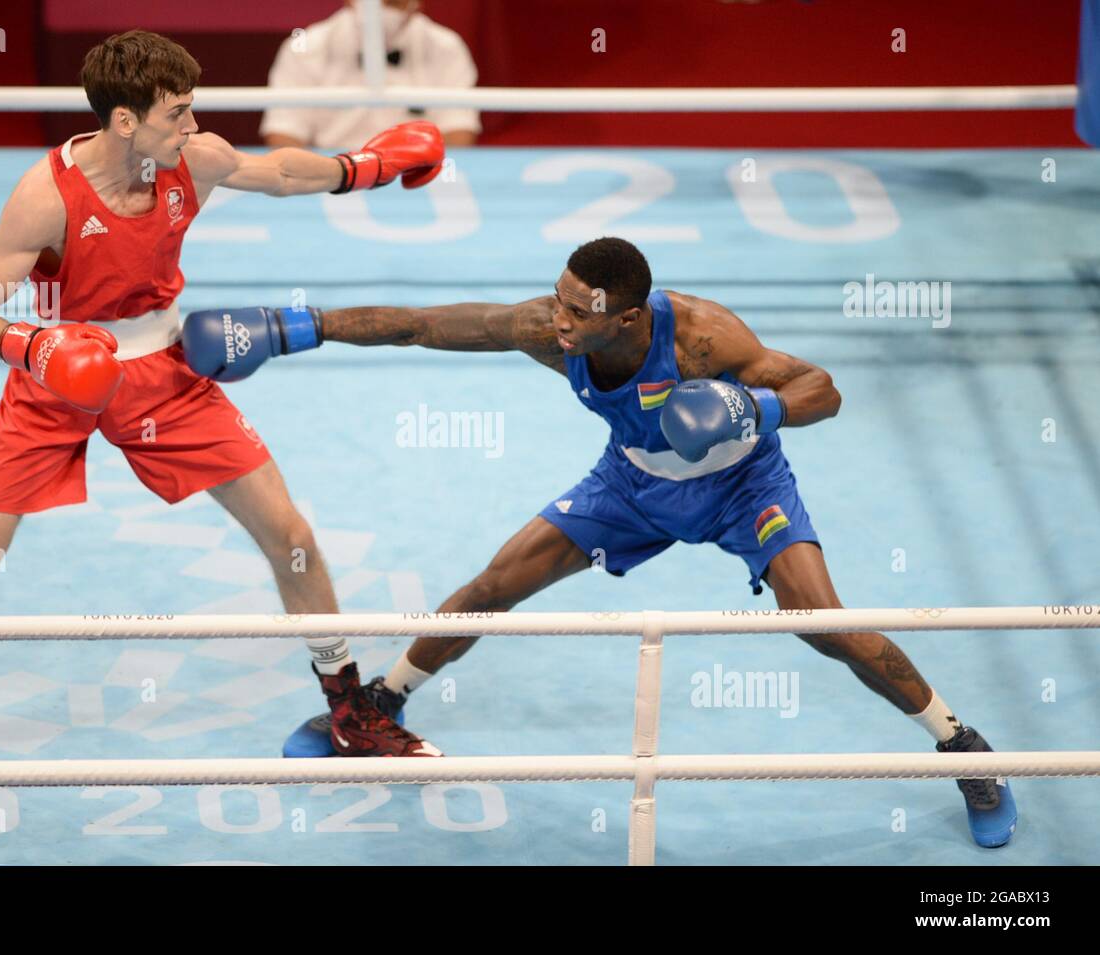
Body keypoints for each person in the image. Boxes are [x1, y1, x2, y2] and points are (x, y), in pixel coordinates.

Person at [214, 236, 1018, 848]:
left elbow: (823, 390)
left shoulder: (704, 338)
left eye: (576, 311)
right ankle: (377, 707)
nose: (557, 320)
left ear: (628, 318)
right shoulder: (546, 329)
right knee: (494, 584)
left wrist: (755, 411)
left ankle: (964, 746)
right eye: (558, 301)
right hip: (629, 485)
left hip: (743, 487)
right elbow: (421, 325)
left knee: (825, 623)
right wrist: (301, 327)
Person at [0, 29, 446, 765]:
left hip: (166, 371)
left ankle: (350, 708)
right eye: (177, 114)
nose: (192, 126)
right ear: (124, 120)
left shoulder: (191, 160)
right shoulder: (45, 196)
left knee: (290, 537)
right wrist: (36, 346)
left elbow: (282, 172)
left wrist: (370, 165)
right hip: (55, 376)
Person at [261, 0, 480, 150]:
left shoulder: (446, 46)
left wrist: (429, 174)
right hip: (330, 172)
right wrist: (317, 177)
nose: (381, 8)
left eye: (392, 0)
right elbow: (284, 132)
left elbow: (458, 131)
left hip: (414, 172)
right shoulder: (303, 46)